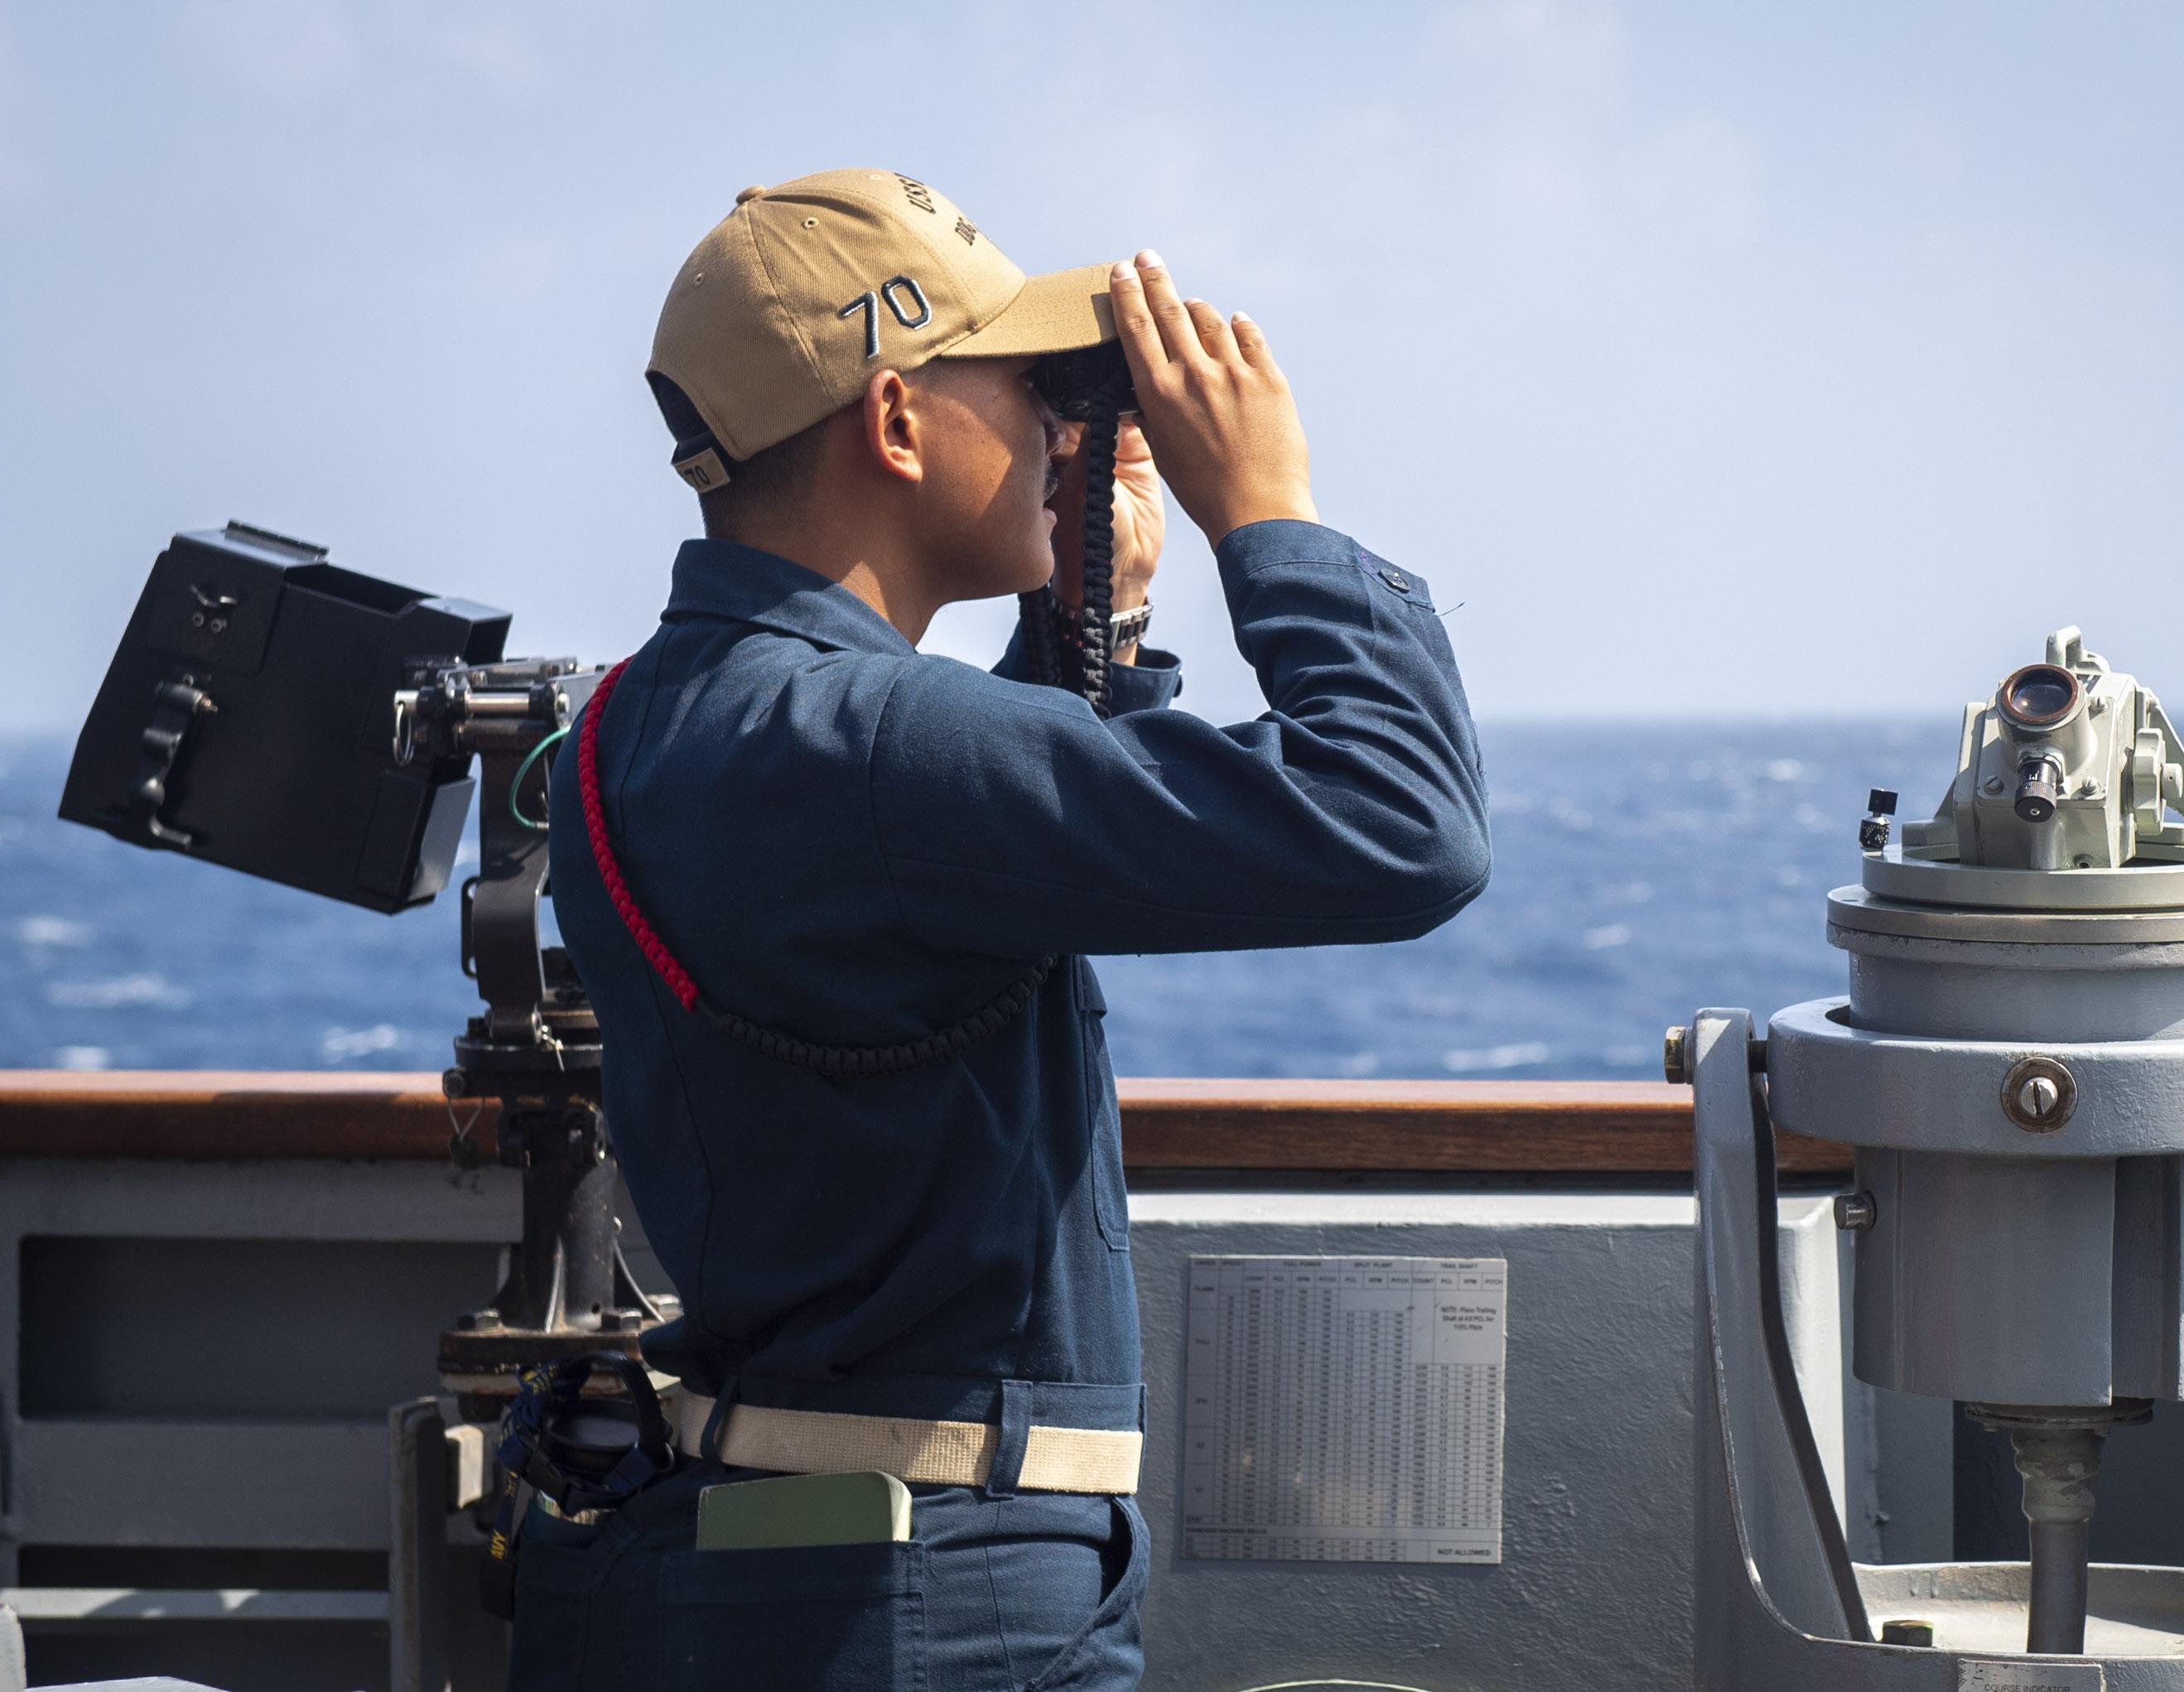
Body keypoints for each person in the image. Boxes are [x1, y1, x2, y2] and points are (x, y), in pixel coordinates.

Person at [522, 167, 1489, 1690]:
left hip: (752, 1557)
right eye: (1033, 389)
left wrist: (1081, 629)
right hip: (943, 1601)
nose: (1062, 427)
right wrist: (1272, 518)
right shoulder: (880, 749)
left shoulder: (629, 732)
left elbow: (948, 906)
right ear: (897, 424)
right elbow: (1401, 826)